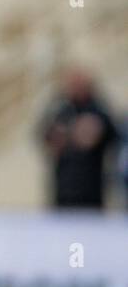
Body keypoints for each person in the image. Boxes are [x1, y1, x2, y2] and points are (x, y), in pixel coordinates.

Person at [39, 68, 120, 211]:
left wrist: (96, 130)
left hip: (91, 192)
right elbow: (43, 135)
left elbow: (114, 136)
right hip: (63, 191)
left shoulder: (98, 109)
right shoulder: (59, 109)